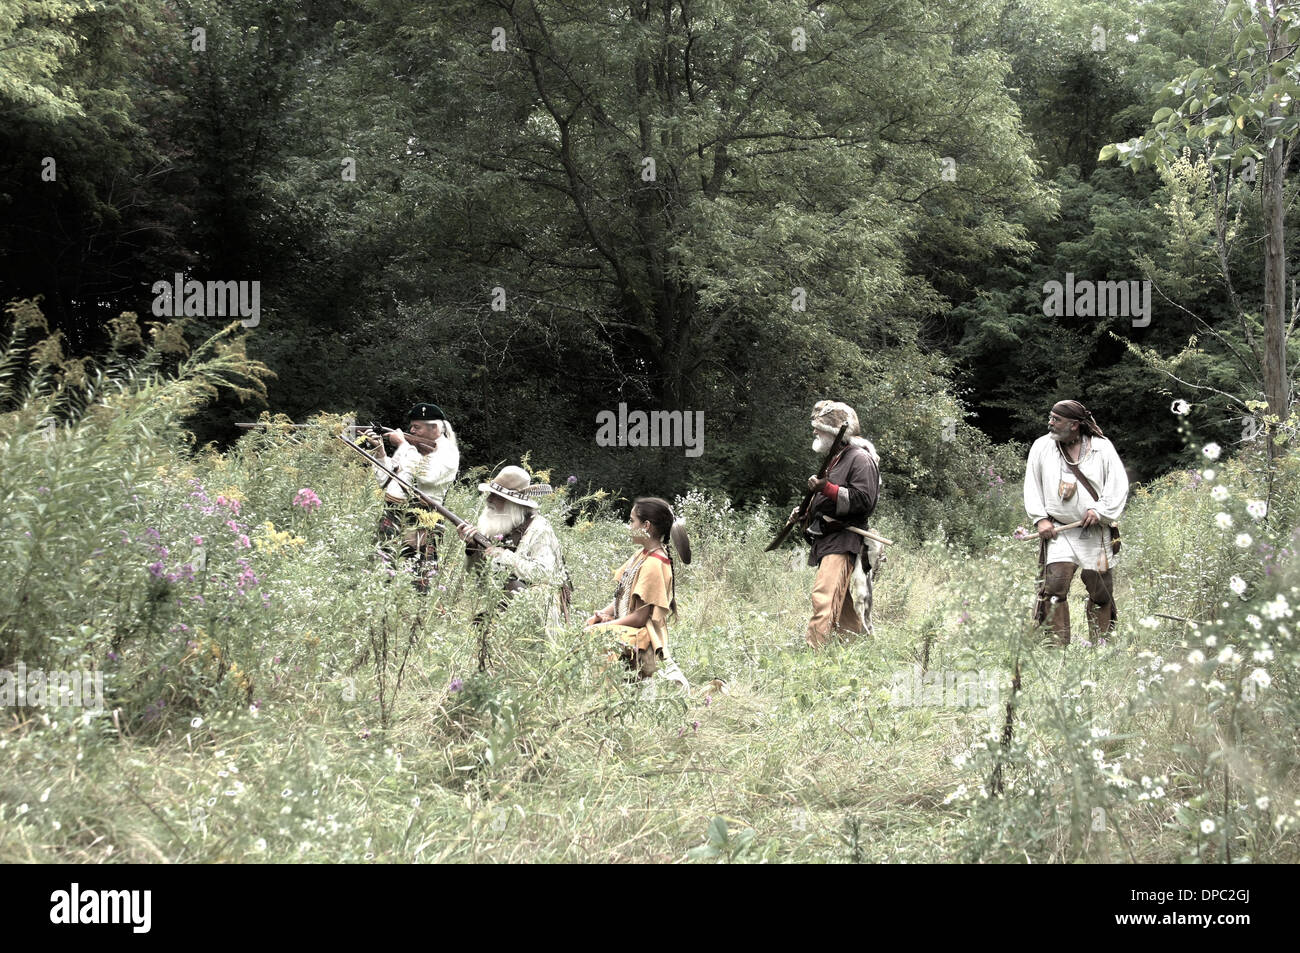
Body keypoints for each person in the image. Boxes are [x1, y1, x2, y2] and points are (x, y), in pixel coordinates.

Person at [1024, 399, 1129, 645]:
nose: (1050, 423)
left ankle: (1102, 644)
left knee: (1100, 591)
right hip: (1059, 531)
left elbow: (1118, 485)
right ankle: (1056, 646)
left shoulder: (1102, 448)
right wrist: (1040, 520)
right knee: (1054, 588)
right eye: (1050, 417)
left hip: (1095, 532)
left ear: (1073, 425)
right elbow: (1032, 485)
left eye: (1056, 419)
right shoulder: (1042, 446)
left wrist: (1101, 511)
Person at [585, 498, 691, 688]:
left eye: (632, 520)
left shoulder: (654, 563)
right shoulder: (641, 555)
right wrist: (603, 614)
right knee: (593, 627)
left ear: (646, 526)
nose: (629, 526)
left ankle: (603, 693)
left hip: (643, 633)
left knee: (597, 635)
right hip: (631, 626)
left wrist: (607, 626)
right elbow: (621, 594)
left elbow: (640, 618)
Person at [801, 400, 882, 648]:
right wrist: (804, 512)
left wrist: (826, 487)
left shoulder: (859, 459)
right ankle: (853, 645)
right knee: (841, 600)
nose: (815, 431)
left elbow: (863, 501)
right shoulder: (836, 459)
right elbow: (827, 501)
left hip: (843, 540)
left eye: (820, 427)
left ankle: (815, 654)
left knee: (823, 597)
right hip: (828, 539)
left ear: (836, 432)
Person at [456, 465, 571, 633]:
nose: (489, 500)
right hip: (501, 605)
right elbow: (478, 580)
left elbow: (544, 574)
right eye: (491, 494)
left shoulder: (540, 529)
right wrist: (472, 547)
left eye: (497, 497)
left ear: (513, 504)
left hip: (536, 617)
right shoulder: (498, 525)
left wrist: (504, 556)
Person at [365, 402, 459, 591]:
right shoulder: (411, 447)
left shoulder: (448, 452)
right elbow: (385, 480)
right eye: (412, 427)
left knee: (418, 577)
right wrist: (380, 452)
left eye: (417, 427)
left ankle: (416, 617)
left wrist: (403, 444)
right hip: (392, 514)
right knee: (380, 571)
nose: (412, 430)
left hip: (421, 519)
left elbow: (427, 476)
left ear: (434, 428)